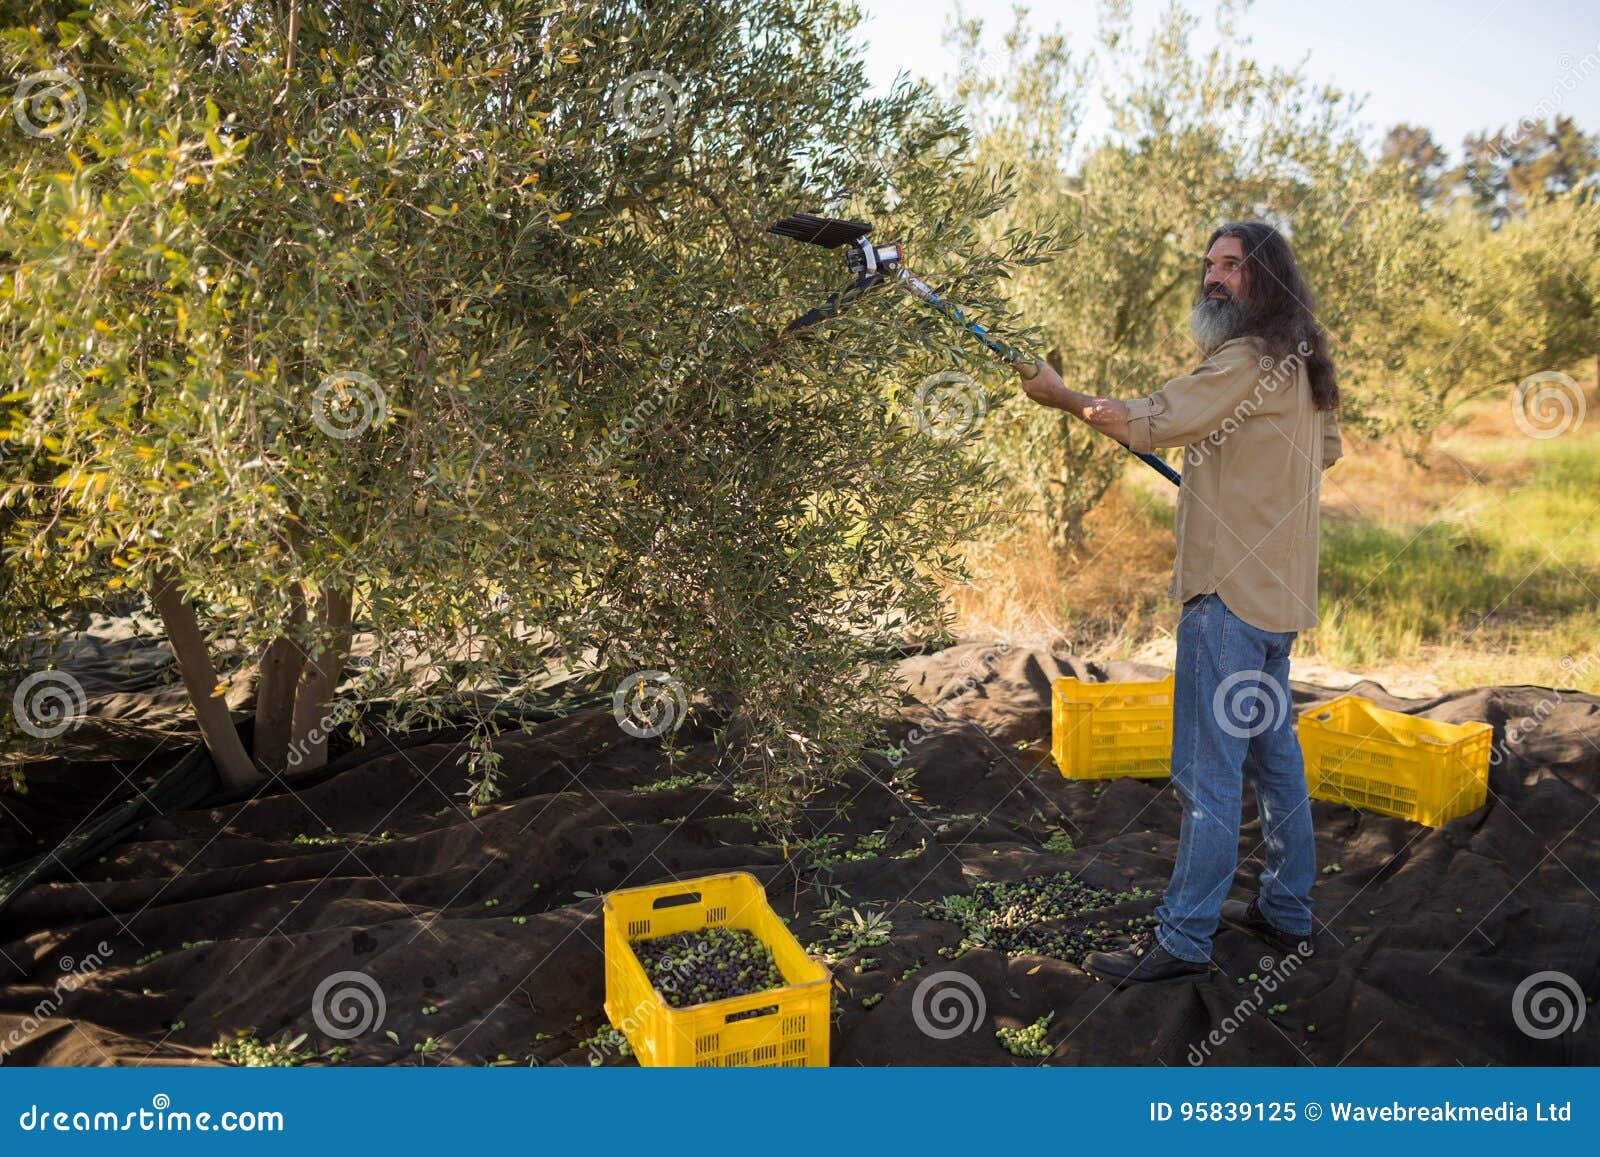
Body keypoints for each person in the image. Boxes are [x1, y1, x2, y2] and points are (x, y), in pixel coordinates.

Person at [1013, 220, 1344, 984]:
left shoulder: (1244, 360)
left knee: (1206, 771)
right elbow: (1321, 454)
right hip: (1279, 598)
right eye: (1209, 264)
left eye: (1231, 265)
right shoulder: (1303, 365)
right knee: (1275, 759)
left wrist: (1061, 396)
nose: (1214, 277)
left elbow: (1146, 420)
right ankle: (1288, 910)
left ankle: (1185, 938)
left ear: (1265, 278)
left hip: (1228, 597)